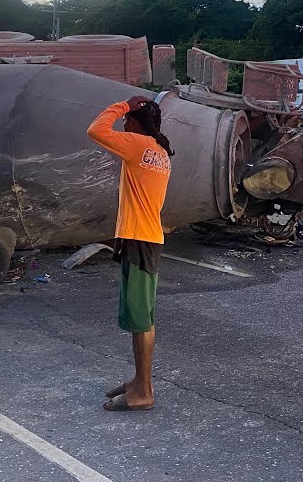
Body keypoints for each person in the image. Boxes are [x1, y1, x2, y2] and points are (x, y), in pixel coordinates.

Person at [86, 96, 173, 412]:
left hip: (140, 239)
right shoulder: (160, 151)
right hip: (145, 237)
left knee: (141, 319)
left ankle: (144, 391)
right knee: (142, 315)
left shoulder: (137, 145)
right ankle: (139, 381)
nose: (124, 123)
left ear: (136, 122)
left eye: (128, 119)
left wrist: (122, 104)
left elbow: (96, 130)